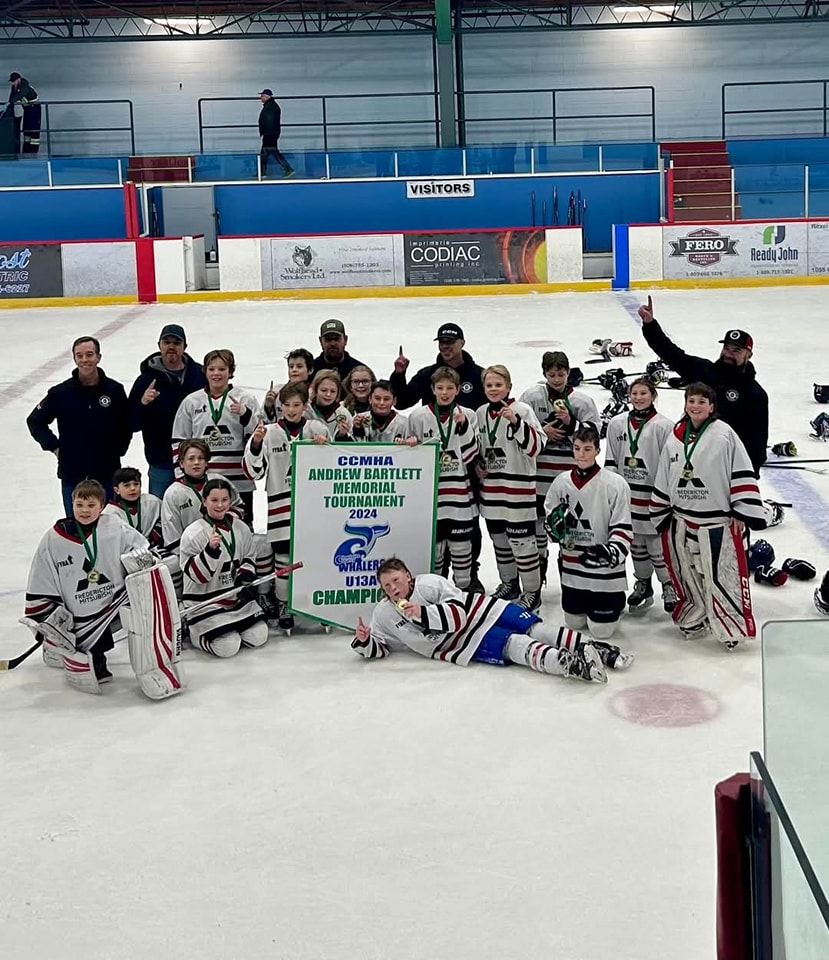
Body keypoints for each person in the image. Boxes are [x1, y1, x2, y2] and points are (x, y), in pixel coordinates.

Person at [352, 557, 633, 682]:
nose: (393, 588)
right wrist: (365, 642)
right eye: (386, 586)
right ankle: (570, 665)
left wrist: (421, 612)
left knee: (535, 628)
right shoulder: (384, 613)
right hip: (462, 642)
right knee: (515, 644)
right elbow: (380, 647)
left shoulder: (430, 584)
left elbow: (458, 616)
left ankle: (596, 649)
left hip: (482, 609)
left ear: (408, 576)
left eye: (396, 580)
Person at [650, 382, 767, 647]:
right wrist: (662, 508)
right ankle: (696, 614)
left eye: (702, 402)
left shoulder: (723, 434)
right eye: (691, 401)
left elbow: (740, 468)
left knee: (721, 574)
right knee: (688, 572)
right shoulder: (676, 435)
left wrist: (740, 509)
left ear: (711, 407)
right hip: (682, 519)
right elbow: (665, 473)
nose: (695, 406)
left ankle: (729, 625)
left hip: (717, 522)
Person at [22, 479, 151, 689]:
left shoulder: (113, 525)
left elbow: (140, 546)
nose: (84, 510)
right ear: (71, 504)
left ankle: (99, 657)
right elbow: (42, 573)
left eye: (91, 505)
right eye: (79, 505)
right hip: (76, 604)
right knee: (81, 633)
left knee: (113, 625)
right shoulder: (54, 537)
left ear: (102, 507)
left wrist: (138, 558)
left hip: (109, 598)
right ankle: (75, 654)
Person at [638, 295, 769, 477]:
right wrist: (650, 325)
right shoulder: (704, 372)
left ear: (749, 354)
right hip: (691, 459)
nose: (729, 354)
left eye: (736, 351)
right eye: (726, 348)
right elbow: (671, 354)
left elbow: (757, 444)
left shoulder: (755, 394)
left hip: (726, 468)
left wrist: (748, 479)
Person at [243, 383, 329, 633]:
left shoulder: (316, 429)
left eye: (296, 405)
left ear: (305, 406)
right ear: (280, 406)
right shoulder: (269, 432)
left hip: (312, 508)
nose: (291, 410)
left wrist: (323, 448)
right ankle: (284, 605)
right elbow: (254, 472)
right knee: (283, 560)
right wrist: (256, 443)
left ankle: (316, 603)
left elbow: (335, 464)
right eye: (286, 405)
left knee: (314, 556)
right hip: (280, 507)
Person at [545, 426, 633, 641]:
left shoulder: (615, 484)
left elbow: (623, 526)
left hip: (603, 573)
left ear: (597, 450)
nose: (581, 454)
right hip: (572, 569)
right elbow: (551, 519)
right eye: (577, 448)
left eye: (587, 449)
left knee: (601, 631)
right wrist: (554, 528)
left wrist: (611, 552)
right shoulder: (561, 482)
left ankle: (616, 601)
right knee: (574, 622)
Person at [519, 351, 599, 585]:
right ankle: (537, 575)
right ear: (544, 373)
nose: (556, 379)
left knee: (571, 528)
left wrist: (571, 423)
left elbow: (594, 434)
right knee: (538, 526)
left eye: (561, 374)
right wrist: (541, 431)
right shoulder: (531, 397)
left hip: (569, 478)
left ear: (568, 372)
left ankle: (571, 576)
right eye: (551, 374)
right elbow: (517, 429)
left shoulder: (582, 401)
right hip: (539, 477)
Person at [27, 336, 131, 516]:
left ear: (98, 357)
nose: (84, 360)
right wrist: (54, 446)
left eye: (89, 354)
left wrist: (118, 449)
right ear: (74, 358)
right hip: (72, 471)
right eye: (79, 355)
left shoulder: (114, 390)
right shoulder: (60, 393)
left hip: (107, 471)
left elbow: (126, 424)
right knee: (76, 523)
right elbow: (35, 421)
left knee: (109, 522)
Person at [604, 378, 676, 615]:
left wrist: (666, 496)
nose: (638, 397)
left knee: (656, 545)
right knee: (635, 543)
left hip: (654, 497)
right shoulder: (617, 423)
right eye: (634, 393)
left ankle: (668, 585)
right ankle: (643, 583)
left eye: (643, 393)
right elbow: (611, 460)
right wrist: (611, 493)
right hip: (628, 496)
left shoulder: (664, 426)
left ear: (653, 395)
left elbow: (670, 465)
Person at [476, 364, 544, 610]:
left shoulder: (522, 410)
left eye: (499, 384)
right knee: (500, 543)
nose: (494, 389)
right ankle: (509, 583)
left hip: (517, 492)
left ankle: (532, 592)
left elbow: (537, 447)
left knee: (523, 545)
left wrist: (516, 423)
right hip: (491, 492)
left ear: (509, 387)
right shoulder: (480, 413)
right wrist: (478, 464)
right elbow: (479, 448)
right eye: (489, 385)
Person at [407, 367, 480, 590]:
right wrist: (411, 445)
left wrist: (463, 426)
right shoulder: (418, 416)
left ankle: (463, 596)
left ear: (458, 390)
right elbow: (411, 459)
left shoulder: (468, 414)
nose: (445, 392)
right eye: (440, 388)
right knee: (435, 555)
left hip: (460, 497)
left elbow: (471, 455)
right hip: (432, 498)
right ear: (432, 389)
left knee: (462, 552)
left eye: (450, 388)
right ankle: (434, 597)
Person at [179, 478, 268, 657]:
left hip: (234, 599)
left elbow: (249, 557)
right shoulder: (193, 533)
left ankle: (230, 626)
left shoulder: (241, 528)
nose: (220, 505)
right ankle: (192, 630)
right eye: (214, 500)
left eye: (224, 500)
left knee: (258, 636)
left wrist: (245, 578)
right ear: (204, 501)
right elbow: (198, 577)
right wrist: (210, 551)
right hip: (205, 604)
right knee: (228, 647)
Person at [171, 349, 261, 524]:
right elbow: (179, 441)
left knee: (241, 528)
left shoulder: (245, 399)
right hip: (205, 480)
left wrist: (245, 414)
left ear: (231, 371)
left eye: (222, 369)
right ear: (205, 371)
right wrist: (181, 475)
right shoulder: (192, 401)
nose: (216, 373)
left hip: (239, 480)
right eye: (211, 369)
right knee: (206, 529)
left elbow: (258, 437)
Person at [128, 323, 206, 498]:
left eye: (176, 343)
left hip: (196, 459)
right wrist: (143, 403)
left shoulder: (200, 376)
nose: (171, 346)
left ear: (184, 347)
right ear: (159, 345)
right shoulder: (146, 380)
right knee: (159, 510)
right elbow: (131, 423)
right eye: (167, 342)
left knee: (197, 509)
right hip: (161, 461)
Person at [390, 323, 486, 410]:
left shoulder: (479, 375)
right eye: (441, 342)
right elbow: (401, 403)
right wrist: (399, 375)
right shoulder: (427, 375)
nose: (445, 346)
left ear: (462, 343)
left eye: (450, 342)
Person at [104, 467, 163, 547]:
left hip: (153, 548)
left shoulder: (152, 501)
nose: (132, 488)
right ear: (117, 490)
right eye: (126, 485)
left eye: (136, 484)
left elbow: (166, 519)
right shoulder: (110, 513)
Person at [262, 347, 315, 423]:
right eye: (291, 366)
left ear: (310, 370)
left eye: (299, 366)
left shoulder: (315, 394)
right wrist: (268, 407)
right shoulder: (277, 391)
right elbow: (263, 421)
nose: (294, 370)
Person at [258, 88, 294, 178]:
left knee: (272, 152)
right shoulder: (270, 106)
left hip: (270, 134)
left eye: (262, 96)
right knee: (265, 153)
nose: (261, 98)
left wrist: (266, 133)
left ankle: (288, 169)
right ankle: (262, 172)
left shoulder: (270, 107)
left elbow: (269, 121)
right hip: (271, 133)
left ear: (267, 97)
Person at [307, 369, 353, 439]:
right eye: (324, 390)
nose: (328, 394)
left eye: (333, 391)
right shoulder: (307, 412)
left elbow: (353, 441)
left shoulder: (343, 413)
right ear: (316, 390)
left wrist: (342, 435)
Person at [8, 72, 40, 155]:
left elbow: (20, 95)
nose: (13, 83)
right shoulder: (14, 87)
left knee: (33, 130)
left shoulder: (24, 86)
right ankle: (26, 150)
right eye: (12, 82)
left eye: (14, 81)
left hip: (34, 108)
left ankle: (33, 151)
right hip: (27, 109)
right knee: (27, 129)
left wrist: (12, 101)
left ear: (19, 79)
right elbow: (11, 98)